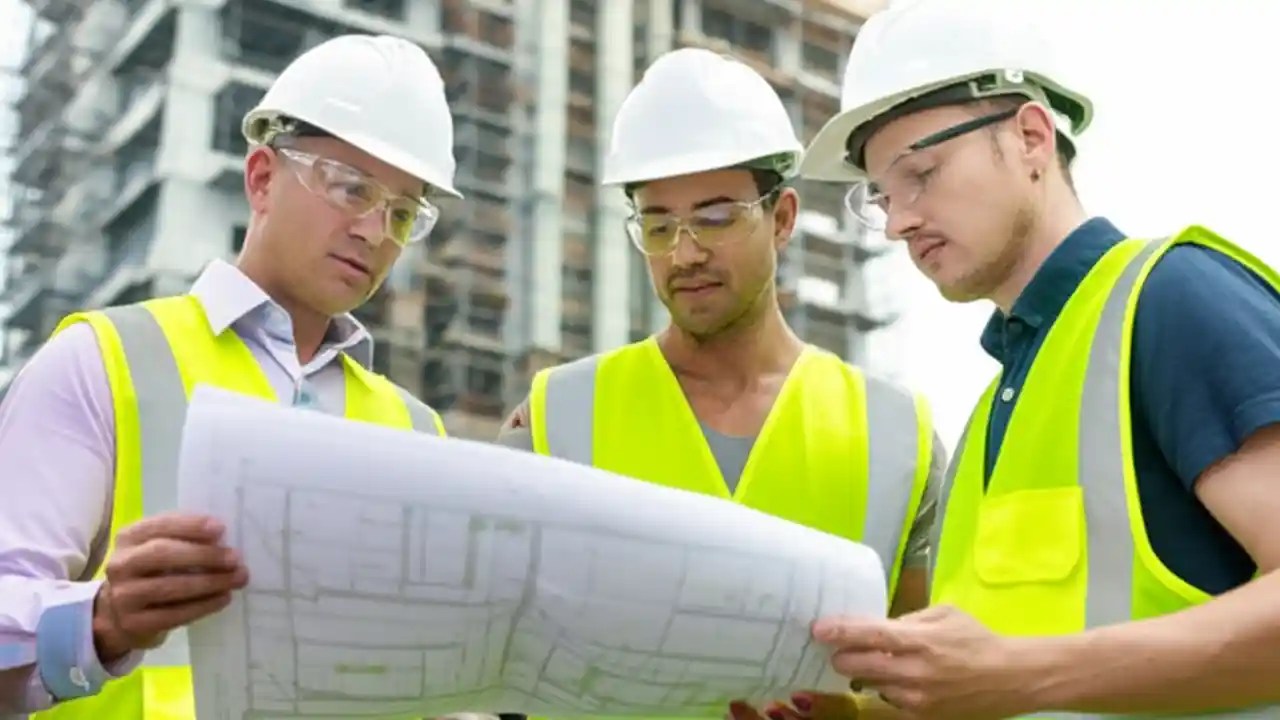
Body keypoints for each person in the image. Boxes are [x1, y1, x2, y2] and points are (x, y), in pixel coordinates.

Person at [746, 2, 1280, 719]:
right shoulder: (991, 420)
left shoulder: (1172, 300)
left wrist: (1021, 675)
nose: (898, 221)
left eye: (921, 173)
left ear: (1031, 136)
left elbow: (1019, 674)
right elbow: (1011, 673)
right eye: (881, 197)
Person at [0, 34, 461, 718]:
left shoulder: (419, 432)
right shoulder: (103, 360)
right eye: (351, 189)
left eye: (402, 213)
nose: (374, 231)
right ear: (262, 177)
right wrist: (102, 621)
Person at [498, 47, 945, 718]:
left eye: (715, 218)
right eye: (658, 225)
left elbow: (933, 693)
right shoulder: (553, 416)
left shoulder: (897, 435)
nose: (685, 253)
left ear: (783, 218)